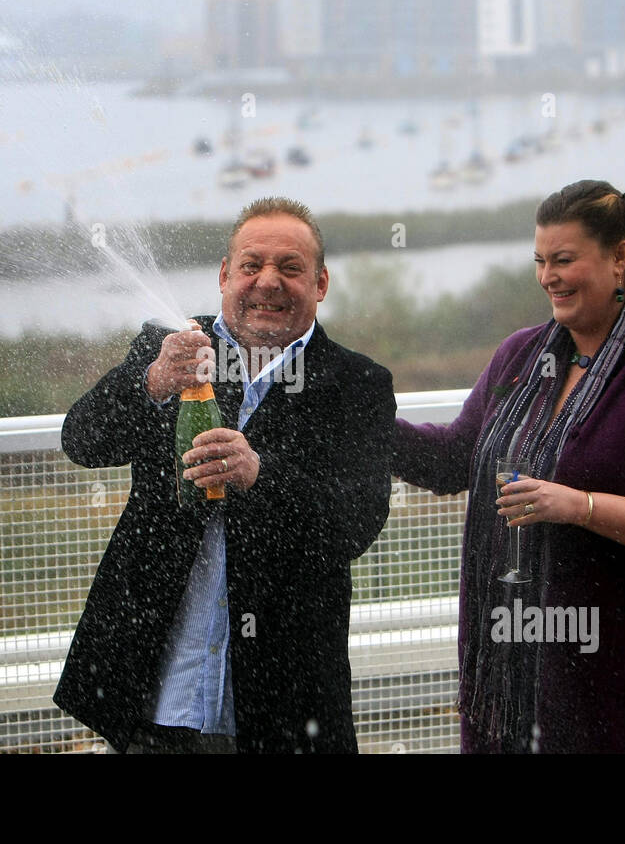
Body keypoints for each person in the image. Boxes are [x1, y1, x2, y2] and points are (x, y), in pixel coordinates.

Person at [393, 180, 625, 753]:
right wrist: (358, 422)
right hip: (513, 685)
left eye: (564, 259)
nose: (547, 276)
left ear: (620, 257)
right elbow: (453, 458)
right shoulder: (520, 355)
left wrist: (577, 506)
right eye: (539, 261)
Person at [54, 197, 395, 753]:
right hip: (159, 695)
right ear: (223, 275)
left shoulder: (356, 384)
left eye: (290, 268)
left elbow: (355, 523)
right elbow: (82, 441)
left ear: (321, 283)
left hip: (282, 706)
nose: (268, 282)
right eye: (251, 265)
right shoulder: (173, 349)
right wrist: (153, 381)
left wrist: (259, 473)